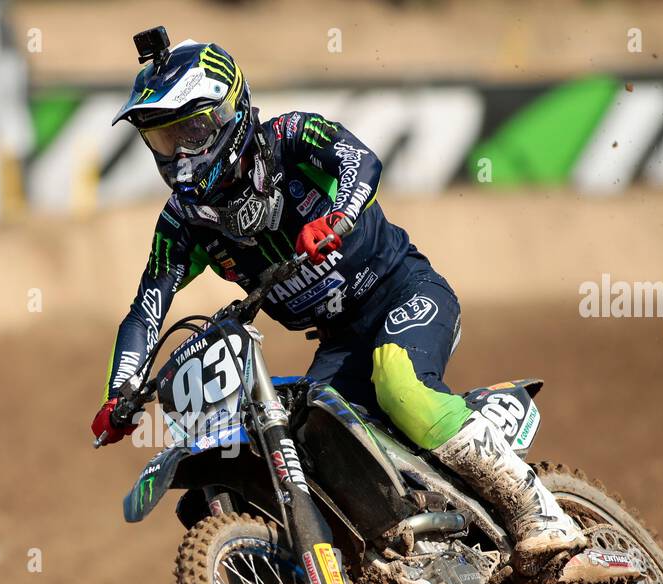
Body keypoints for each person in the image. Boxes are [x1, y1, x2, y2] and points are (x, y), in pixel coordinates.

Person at [89, 32, 583, 556]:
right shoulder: (184, 223)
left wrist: (338, 217)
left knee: (399, 382)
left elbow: (362, 162)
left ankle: (542, 516)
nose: (180, 154)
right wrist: (120, 391)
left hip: (404, 292)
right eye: (164, 140)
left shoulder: (288, 137)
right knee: (312, 445)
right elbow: (147, 308)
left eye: (190, 130)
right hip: (339, 341)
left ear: (229, 111)